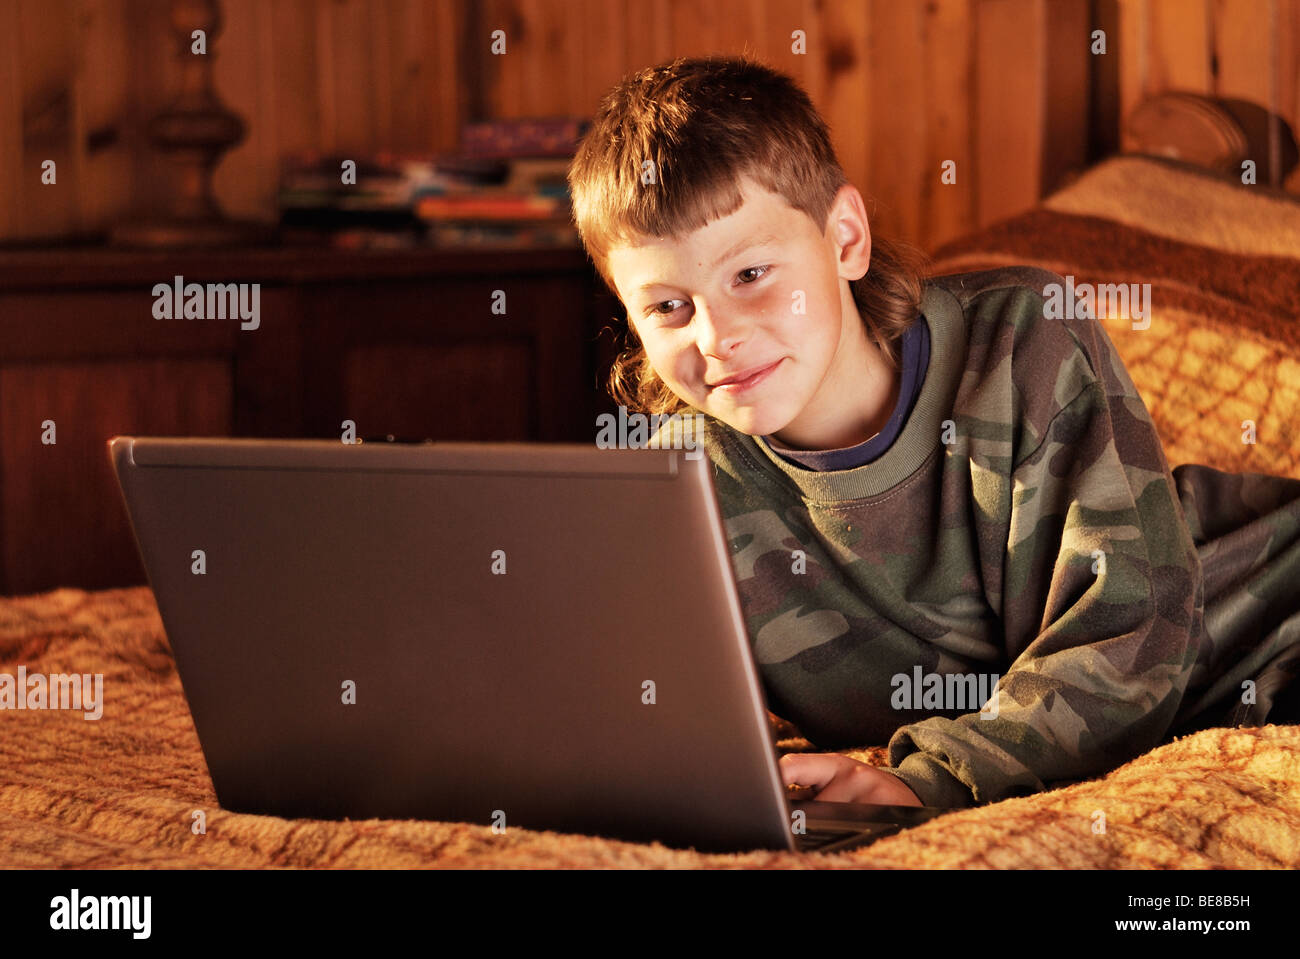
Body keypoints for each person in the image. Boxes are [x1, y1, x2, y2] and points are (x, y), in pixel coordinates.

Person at [565, 54, 1300, 809]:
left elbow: (1129, 639)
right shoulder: (680, 485)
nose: (717, 336)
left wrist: (928, 779)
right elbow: (682, 714)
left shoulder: (1024, 336)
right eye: (666, 308)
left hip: (1268, 614)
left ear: (846, 238)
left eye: (750, 274)